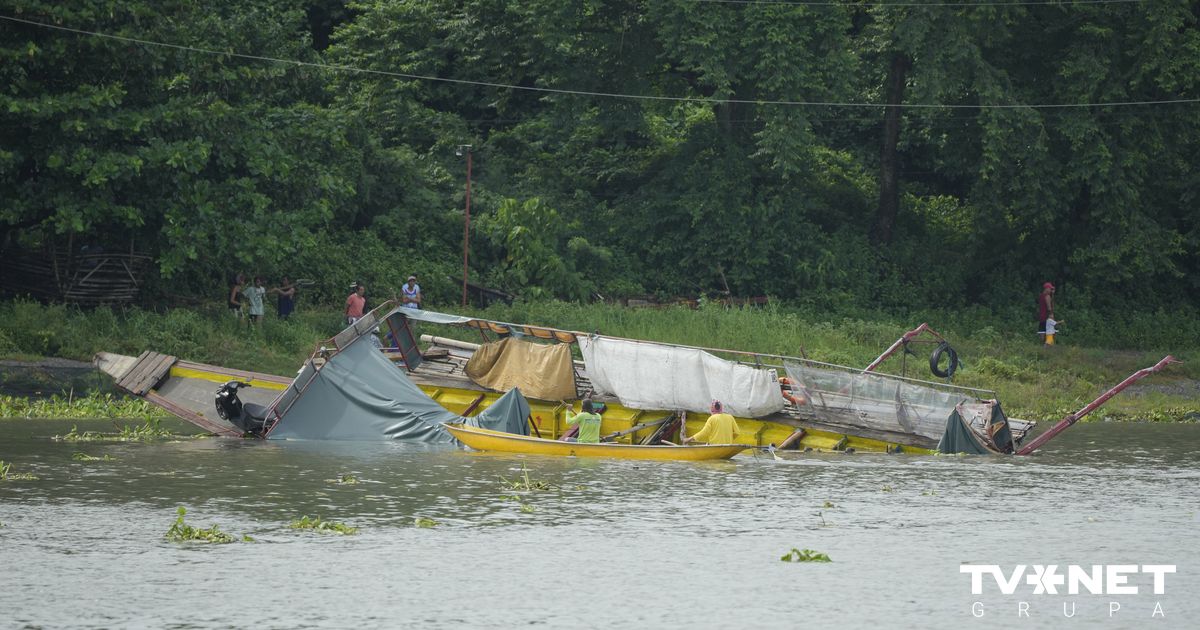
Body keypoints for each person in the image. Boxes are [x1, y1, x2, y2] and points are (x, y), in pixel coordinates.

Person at [1038, 282, 1056, 346]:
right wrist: (1051, 315)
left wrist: (1053, 295)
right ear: (1046, 288)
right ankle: (1047, 348)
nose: (1051, 290)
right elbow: (1050, 307)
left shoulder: (1041, 296)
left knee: (1042, 333)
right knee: (1050, 335)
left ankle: (1042, 348)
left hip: (1041, 317)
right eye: (1050, 289)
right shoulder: (1047, 296)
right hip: (1047, 317)